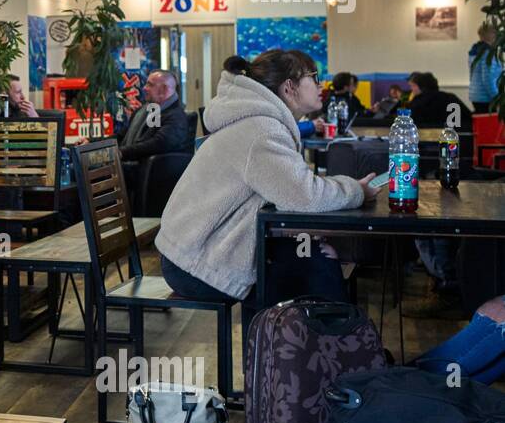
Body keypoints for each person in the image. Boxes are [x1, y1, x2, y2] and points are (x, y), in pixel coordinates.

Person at [156, 51, 380, 317]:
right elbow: (304, 195)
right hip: (195, 263)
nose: (321, 86)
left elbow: (291, 188)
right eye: (314, 77)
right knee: (315, 266)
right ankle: (335, 339)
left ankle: (309, 340)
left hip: (196, 250)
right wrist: (356, 191)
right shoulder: (262, 130)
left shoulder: (260, 122)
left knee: (312, 255)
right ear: (289, 87)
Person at [118, 70, 189, 162]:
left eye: (150, 85)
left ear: (163, 89)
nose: (144, 88)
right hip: (127, 163)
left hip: (144, 168)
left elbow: (157, 144)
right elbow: (123, 135)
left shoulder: (176, 117)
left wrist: (122, 153)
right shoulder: (146, 110)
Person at [407, 71, 472, 130]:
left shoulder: (417, 102)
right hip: (458, 135)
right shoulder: (451, 97)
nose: (411, 89)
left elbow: (412, 125)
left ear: (422, 86)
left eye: (413, 86)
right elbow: (468, 118)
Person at [468, 23, 501, 114]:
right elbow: (488, 79)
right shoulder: (488, 53)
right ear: (492, 35)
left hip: (476, 95)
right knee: (490, 122)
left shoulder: (475, 50)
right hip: (486, 98)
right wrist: (497, 98)